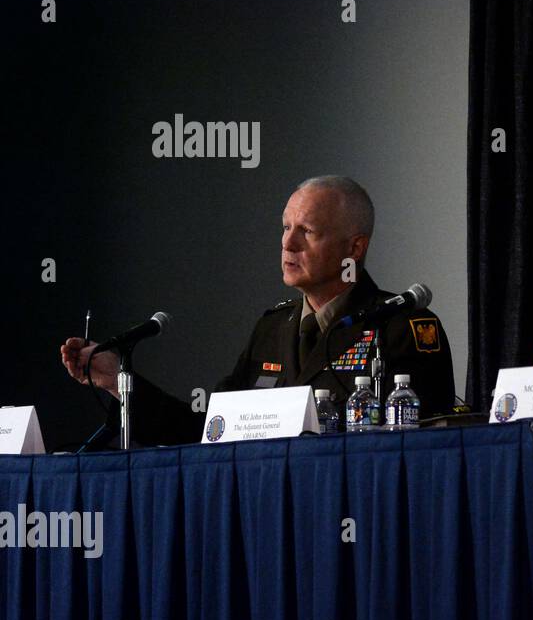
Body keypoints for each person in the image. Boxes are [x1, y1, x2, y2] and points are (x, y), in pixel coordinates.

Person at [60, 175, 456, 445]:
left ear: (354, 248)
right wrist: (119, 381)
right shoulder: (272, 329)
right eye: (285, 227)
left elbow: (427, 449)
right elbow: (209, 430)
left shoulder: (402, 326)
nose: (288, 244)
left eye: (307, 231)